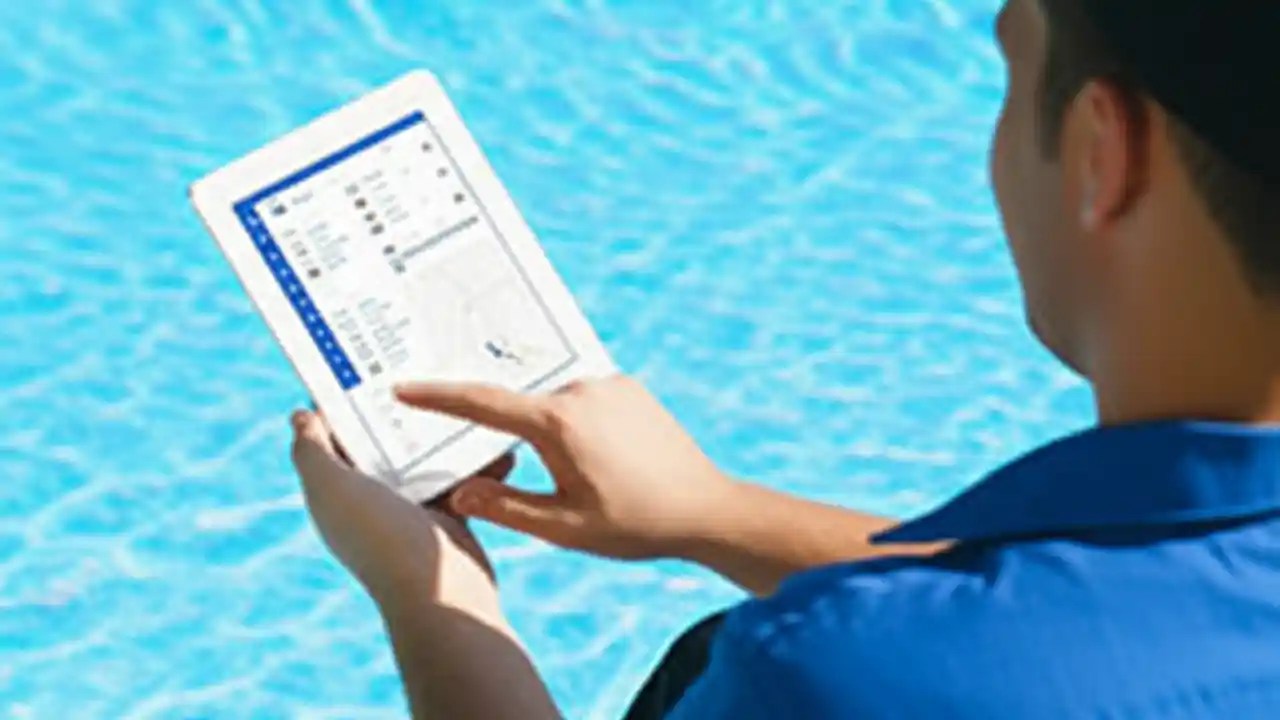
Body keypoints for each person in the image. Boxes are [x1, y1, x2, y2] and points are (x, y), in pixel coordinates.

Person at [289, 0, 1280, 717]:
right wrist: (708, 514)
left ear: (1103, 154)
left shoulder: (838, 675)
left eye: (1009, 74)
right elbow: (1145, 591)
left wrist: (432, 593)